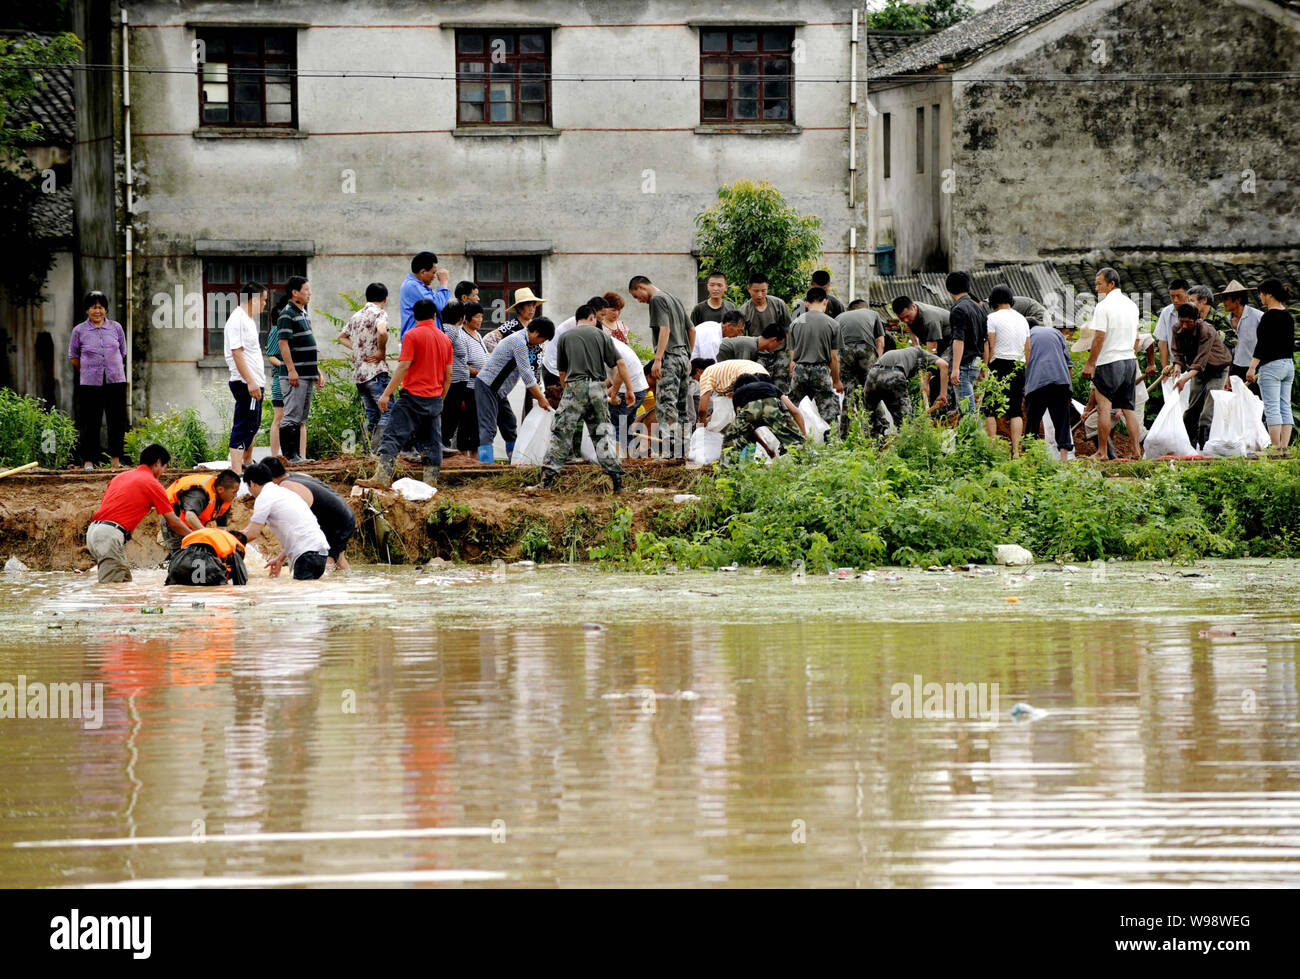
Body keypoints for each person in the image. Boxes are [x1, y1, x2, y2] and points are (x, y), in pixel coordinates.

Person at [532, 306, 632, 492]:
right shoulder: (601, 336)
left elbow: (562, 372)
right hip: (597, 388)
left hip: (574, 387)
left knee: (561, 433)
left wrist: (567, 390)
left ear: (577, 319)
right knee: (602, 434)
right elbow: (619, 363)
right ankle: (618, 484)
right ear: (592, 318)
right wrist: (626, 390)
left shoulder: (565, 337)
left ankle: (546, 483)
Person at [367, 297, 455, 486]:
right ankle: (431, 483)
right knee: (432, 442)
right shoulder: (445, 339)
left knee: (392, 435)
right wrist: (440, 399)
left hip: (412, 397)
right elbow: (449, 375)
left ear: (414, 316)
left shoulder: (412, 335)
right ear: (434, 315)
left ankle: (382, 478)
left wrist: (386, 393)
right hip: (434, 399)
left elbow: (404, 366)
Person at [86, 443, 191, 583]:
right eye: (165, 467)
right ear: (158, 463)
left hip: (94, 532)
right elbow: (173, 522)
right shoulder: (153, 484)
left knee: (124, 586)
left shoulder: (120, 477)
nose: (163, 472)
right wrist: (197, 536)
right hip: (109, 536)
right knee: (111, 591)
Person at [1080, 267, 1142, 460]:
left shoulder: (1103, 306)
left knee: (1104, 408)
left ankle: (1102, 452)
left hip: (1109, 362)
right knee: (1129, 409)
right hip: (1129, 361)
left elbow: (1099, 337)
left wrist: (1090, 364)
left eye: (1099, 283)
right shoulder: (1132, 305)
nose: (1096, 287)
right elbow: (1136, 337)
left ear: (1111, 284)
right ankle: (1136, 451)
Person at [629, 275, 694, 455]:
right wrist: (688, 356)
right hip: (682, 357)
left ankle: (668, 451)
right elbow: (691, 329)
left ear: (641, 287)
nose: (639, 300)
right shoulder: (674, 299)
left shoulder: (657, 300)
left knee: (666, 406)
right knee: (682, 408)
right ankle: (683, 450)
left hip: (669, 357)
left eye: (636, 296)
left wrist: (658, 359)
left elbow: (665, 329)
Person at [475, 314, 554, 462]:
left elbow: (529, 372)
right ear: (536, 332)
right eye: (542, 340)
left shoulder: (525, 341)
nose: (540, 343)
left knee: (509, 425)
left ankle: (515, 460)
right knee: (488, 427)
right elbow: (526, 374)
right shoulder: (518, 341)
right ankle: (485, 465)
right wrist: (541, 399)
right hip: (488, 385)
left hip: (499, 390)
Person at [240, 462, 330, 580]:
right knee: (308, 593)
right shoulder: (284, 493)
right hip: (320, 553)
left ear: (252, 483)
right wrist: (279, 559)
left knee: (302, 596)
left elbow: (252, 533)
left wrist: (231, 544)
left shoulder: (264, 497)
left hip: (307, 555)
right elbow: (298, 532)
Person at [68, 291, 127, 469]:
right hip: (90, 384)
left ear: (105, 309)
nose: (97, 311)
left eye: (100, 307)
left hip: (115, 381)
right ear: (87, 310)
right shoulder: (79, 330)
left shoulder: (116, 328)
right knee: (90, 422)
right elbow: (73, 356)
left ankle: (116, 460)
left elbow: (122, 352)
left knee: (116, 421)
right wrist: (88, 369)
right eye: (93, 307)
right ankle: (88, 461)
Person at [264, 457, 356, 571]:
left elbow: (298, 528)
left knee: (327, 562)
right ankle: (351, 584)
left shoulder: (286, 488)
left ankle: (327, 587)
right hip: (346, 514)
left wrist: (280, 558)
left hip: (335, 522)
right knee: (338, 560)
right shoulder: (298, 475)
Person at [1169, 302, 1232, 448]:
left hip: (1216, 369)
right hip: (1196, 371)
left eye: (1188, 322)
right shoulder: (1176, 329)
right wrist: (1177, 366)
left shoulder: (1206, 331)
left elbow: (1201, 360)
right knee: (1192, 410)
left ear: (1197, 319)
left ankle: (1204, 449)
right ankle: (1187, 446)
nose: (1184, 325)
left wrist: (1184, 379)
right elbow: (1177, 353)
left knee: (1207, 412)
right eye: (1181, 321)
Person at [337, 282, 392, 451]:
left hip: (360, 375)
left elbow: (341, 337)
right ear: (385, 299)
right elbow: (382, 332)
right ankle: (379, 451)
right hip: (376, 372)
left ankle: (367, 451)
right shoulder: (380, 313)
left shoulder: (356, 316)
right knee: (388, 412)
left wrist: (358, 349)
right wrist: (381, 351)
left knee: (372, 416)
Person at [223, 280, 267, 474]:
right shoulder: (237, 320)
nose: (266, 304)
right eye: (264, 300)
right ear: (254, 300)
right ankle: (236, 470)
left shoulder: (248, 320)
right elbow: (237, 353)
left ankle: (246, 462)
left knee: (254, 424)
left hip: (255, 382)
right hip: (245, 383)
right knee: (244, 425)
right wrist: (250, 381)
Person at [1245, 278, 1295, 453]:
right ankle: (1284, 446)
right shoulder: (1288, 316)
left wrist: (1252, 368)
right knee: (1284, 405)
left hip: (1271, 366)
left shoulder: (1268, 316)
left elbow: (1263, 345)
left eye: (1261, 293)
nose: (1260, 297)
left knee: (1272, 406)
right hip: (1288, 365)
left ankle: (1275, 448)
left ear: (1268, 294)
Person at [277, 275, 322, 464]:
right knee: (292, 415)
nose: (309, 293)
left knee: (301, 416)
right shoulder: (287, 313)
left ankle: (297, 456)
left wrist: (316, 370)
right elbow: (283, 343)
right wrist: (291, 370)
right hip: (295, 374)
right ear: (295, 293)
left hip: (307, 372)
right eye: (306, 290)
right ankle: (290, 456)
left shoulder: (303, 313)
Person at [983, 285, 1030, 455]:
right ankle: (1016, 451)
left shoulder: (991, 318)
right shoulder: (1022, 319)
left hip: (998, 364)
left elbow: (991, 344)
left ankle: (992, 448)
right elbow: (1028, 348)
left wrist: (986, 368)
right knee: (1015, 410)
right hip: (1018, 365)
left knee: (990, 409)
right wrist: (1023, 367)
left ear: (993, 301)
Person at [789, 287, 843, 436]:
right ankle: (832, 442)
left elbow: (792, 355)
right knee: (829, 409)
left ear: (806, 303)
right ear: (825, 302)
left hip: (800, 370)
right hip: (821, 371)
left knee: (792, 406)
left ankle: (790, 440)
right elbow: (833, 357)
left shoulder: (796, 323)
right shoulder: (833, 324)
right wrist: (836, 380)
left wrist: (793, 370)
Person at [862, 346, 949, 435]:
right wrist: (943, 394)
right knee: (905, 423)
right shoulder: (920, 352)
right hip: (893, 375)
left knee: (870, 417)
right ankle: (904, 443)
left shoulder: (903, 354)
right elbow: (944, 365)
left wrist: (926, 383)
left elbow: (928, 369)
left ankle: (874, 443)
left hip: (872, 374)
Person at [1023, 318, 1075, 461]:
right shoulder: (1056, 333)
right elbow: (1068, 364)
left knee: (1032, 422)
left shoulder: (1026, 336)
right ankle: (1064, 458)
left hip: (1037, 383)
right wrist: (1069, 389)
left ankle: (1030, 459)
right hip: (1061, 382)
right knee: (1062, 422)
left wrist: (1024, 391)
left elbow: (1022, 364)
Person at [723, 373, 806, 458]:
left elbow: (747, 430)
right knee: (797, 444)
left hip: (750, 411)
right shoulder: (770, 386)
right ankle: (805, 462)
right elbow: (795, 412)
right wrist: (803, 438)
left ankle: (728, 469)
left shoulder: (738, 394)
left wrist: (767, 449)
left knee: (730, 444)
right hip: (771, 406)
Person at [161, 468, 241, 553]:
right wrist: (207, 535)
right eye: (234, 492)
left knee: (200, 551)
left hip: (194, 524)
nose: (236, 495)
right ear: (220, 489)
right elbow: (190, 517)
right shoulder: (199, 493)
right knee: (180, 553)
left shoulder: (225, 500)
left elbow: (221, 528)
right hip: (174, 519)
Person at [836, 303, 887, 434]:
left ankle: (844, 433)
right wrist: (878, 363)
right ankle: (880, 429)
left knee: (849, 393)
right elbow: (880, 342)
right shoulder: (873, 314)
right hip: (865, 348)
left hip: (844, 350)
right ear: (865, 308)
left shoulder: (839, 317)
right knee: (871, 390)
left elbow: (834, 346)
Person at [738, 273, 793, 394]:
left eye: (763, 291)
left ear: (767, 288)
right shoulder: (744, 310)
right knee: (758, 385)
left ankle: (783, 409)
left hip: (779, 352)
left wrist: (792, 358)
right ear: (749, 289)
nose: (759, 295)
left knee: (782, 385)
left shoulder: (778, 304)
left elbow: (789, 331)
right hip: (758, 354)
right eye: (756, 291)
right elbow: (741, 338)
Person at [947, 272, 987, 416]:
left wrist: (956, 368)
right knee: (970, 408)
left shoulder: (958, 309)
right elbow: (985, 340)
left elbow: (958, 339)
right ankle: (973, 437)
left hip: (964, 364)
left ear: (949, 289)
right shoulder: (979, 308)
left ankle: (974, 437)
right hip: (976, 362)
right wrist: (984, 365)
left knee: (967, 412)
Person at [263, 294, 298, 460]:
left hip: (297, 380)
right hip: (281, 380)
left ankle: (297, 455)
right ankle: (275, 455)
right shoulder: (277, 329)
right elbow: (271, 355)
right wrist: (287, 367)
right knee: (279, 417)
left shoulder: (296, 330)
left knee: (297, 420)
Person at [1218, 279, 1265, 394]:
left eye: (1226, 299)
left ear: (1238, 300)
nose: (1224, 302)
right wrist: (1227, 376)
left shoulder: (1258, 317)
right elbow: (1228, 351)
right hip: (1236, 368)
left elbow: (1267, 343)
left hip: (1256, 369)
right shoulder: (1226, 321)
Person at [454, 301, 489, 453]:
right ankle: (463, 457)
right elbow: (461, 364)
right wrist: (478, 373)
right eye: (477, 316)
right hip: (467, 388)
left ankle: (475, 457)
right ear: (467, 319)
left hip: (480, 387)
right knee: (466, 424)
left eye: (482, 316)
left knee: (477, 424)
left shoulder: (478, 335)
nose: (480, 320)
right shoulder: (461, 336)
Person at [696, 358, 770, 427]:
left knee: (749, 418)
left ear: (699, 372)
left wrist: (701, 423)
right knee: (764, 415)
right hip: (764, 374)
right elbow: (723, 409)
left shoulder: (705, 374)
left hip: (749, 377)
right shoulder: (722, 373)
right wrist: (708, 420)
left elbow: (702, 409)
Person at [606, 333, 649, 451]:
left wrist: (614, 394)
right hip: (639, 390)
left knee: (616, 428)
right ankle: (628, 461)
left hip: (626, 393)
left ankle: (617, 463)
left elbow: (619, 371)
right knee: (627, 429)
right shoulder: (613, 343)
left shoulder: (606, 346)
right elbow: (612, 376)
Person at [437, 301, 470, 454]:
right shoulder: (450, 330)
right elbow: (442, 346)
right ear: (461, 317)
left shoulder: (453, 330)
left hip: (457, 381)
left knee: (452, 414)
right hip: (453, 382)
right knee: (450, 414)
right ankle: (443, 443)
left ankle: (444, 442)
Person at [165, 528, 248, 587]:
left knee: (175, 590)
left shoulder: (212, 533)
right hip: (208, 564)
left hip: (181, 561)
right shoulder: (236, 544)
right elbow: (240, 579)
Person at [400, 251, 451, 339]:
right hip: (418, 341)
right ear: (423, 272)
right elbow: (437, 305)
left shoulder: (421, 287)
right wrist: (443, 283)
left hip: (426, 339)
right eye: (433, 272)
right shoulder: (412, 286)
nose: (434, 276)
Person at [691, 272, 734, 359]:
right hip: (703, 353)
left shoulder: (730, 307)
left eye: (719, 285)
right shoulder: (699, 309)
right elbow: (692, 332)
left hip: (725, 351)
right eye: (712, 285)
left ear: (726, 287)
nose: (715, 288)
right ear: (707, 286)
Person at [1153, 278, 1191, 371]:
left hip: (1195, 365)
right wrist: (1165, 368)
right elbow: (1163, 342)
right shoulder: (1166, 312)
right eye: (1172, 296)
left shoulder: (1195, 310)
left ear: (1187, 294)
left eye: (1179, 296)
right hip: (1174, 366)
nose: (1175, 300)